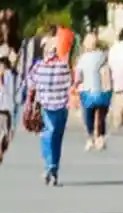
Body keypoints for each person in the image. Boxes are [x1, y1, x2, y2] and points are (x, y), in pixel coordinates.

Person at [25, 43, 71, 185]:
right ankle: (54, 170)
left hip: (45, 106)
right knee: (57, 138)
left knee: (46, 136)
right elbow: (69, 84)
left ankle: (48, 166)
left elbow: (31, 84)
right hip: (61, 107)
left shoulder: (38, 66)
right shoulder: (64, 66)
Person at [74, 32, 111, 150]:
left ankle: (90, 138)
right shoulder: (103, 56)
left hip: (87, 91)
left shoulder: (82, 59)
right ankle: (100, 137)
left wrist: (75, 85)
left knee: (88, 116)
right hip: (102, 91)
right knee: (101, 116)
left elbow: (78, 77)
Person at [0, 55, 15, 165]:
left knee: (5, 132)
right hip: (3, 109)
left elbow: (10, 91)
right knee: (3, 132)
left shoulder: (9, 75)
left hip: (5, 108)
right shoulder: (8, 75)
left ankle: (2, 147)